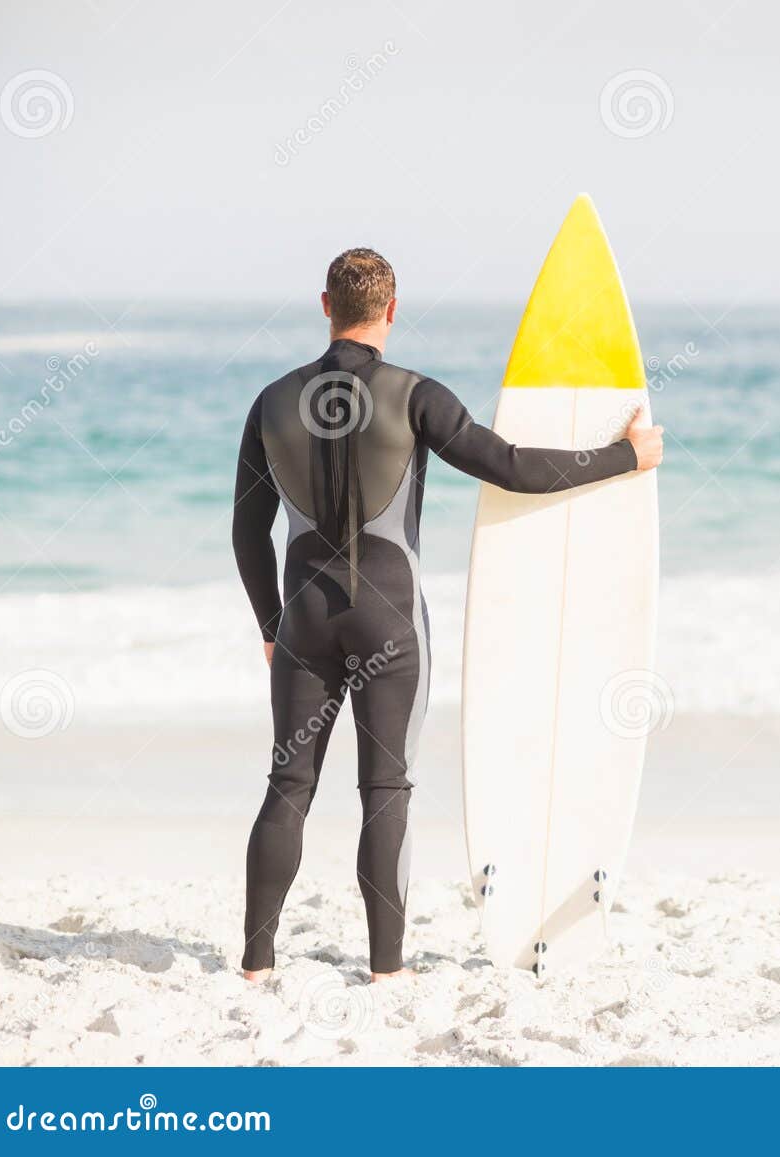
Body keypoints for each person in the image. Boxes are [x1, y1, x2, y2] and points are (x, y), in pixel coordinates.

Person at [231, 248, 663, 983]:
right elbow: (513, 467)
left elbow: (247, 530)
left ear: (325, 305)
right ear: (392, 311)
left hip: (304, 620)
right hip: (389, 623)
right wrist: (623, 457)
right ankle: (386, 970)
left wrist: (273, 624)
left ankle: (255, 962)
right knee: (386, 789)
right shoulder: (416, 395)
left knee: (289, 784)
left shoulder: (273, 402)